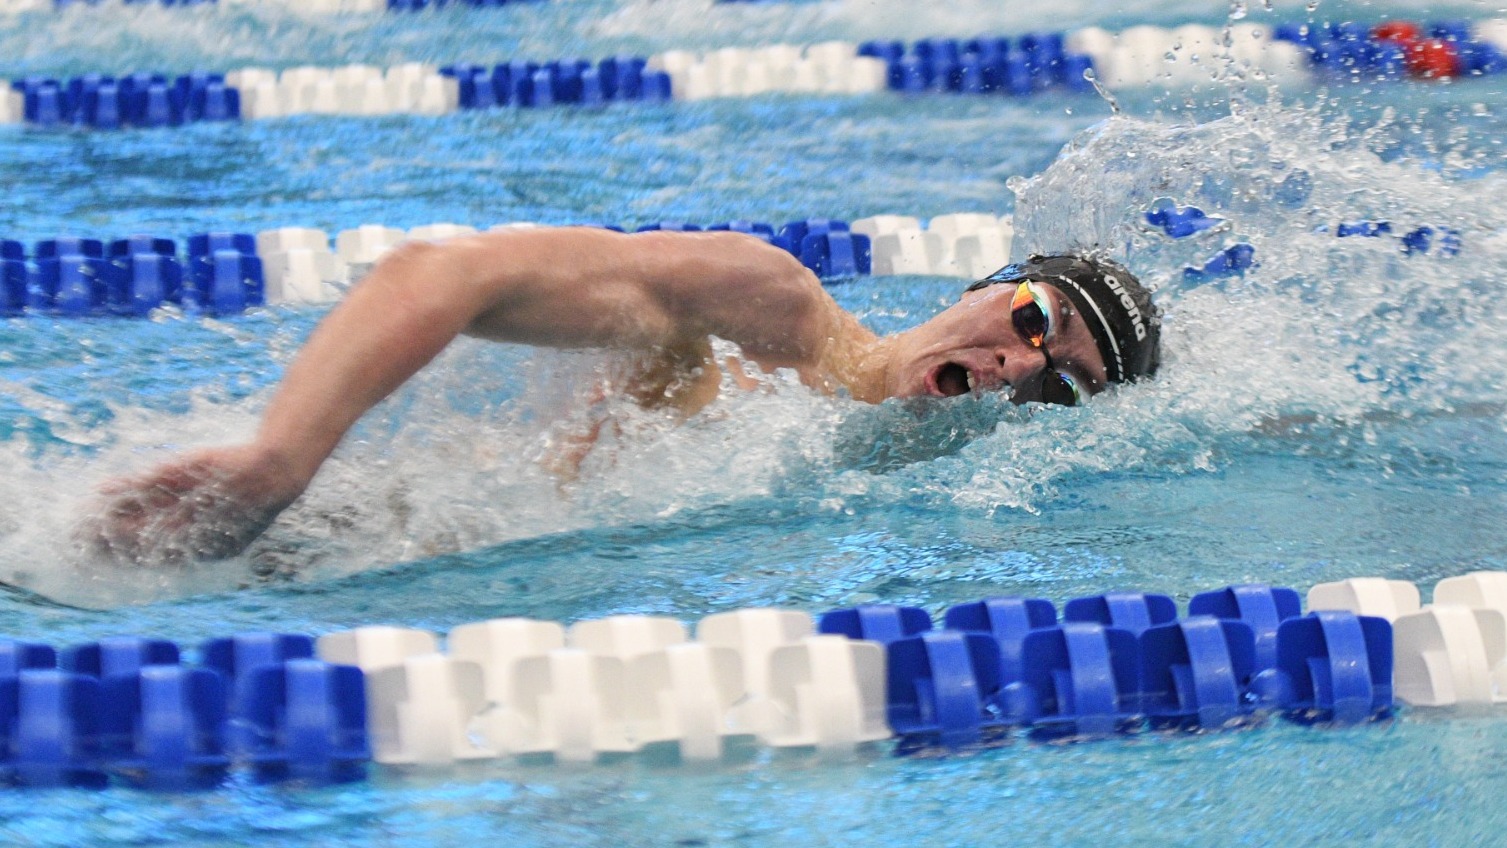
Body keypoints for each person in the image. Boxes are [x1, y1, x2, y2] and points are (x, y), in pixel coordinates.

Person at [85, 226, 1161, 564]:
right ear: (985, 286)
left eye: (1059, 388)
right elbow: (439, 274)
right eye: (1034, 320)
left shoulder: (892, 504)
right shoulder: (769, 311)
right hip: (324, 534)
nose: (1024, 367)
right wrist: (281, 459)